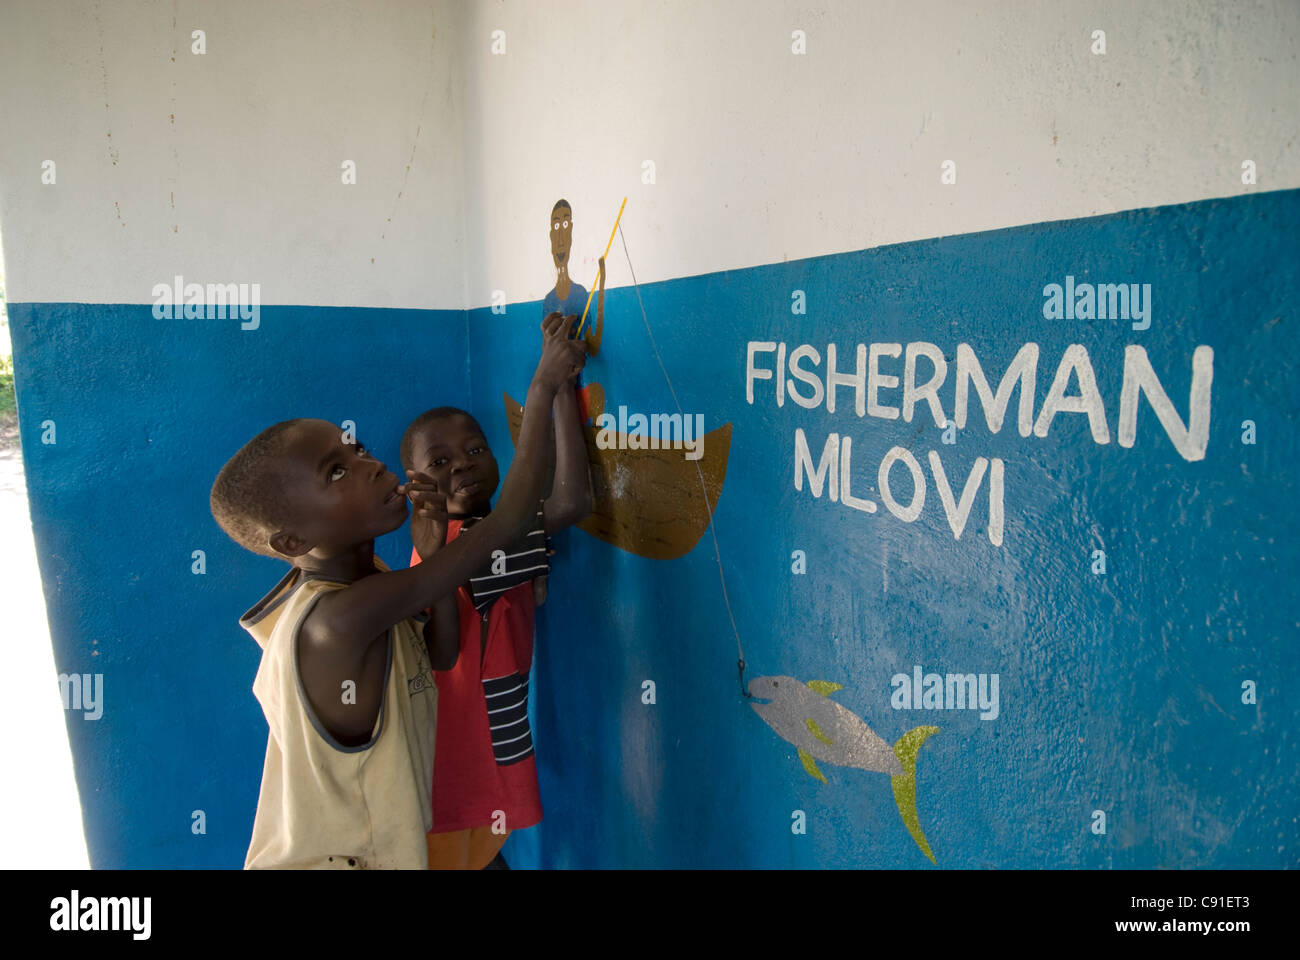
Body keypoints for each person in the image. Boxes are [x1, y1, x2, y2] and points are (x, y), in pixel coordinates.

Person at [209, 321, 585, 869]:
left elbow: (440, 653)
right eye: (336, 471)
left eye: (354, 448)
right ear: (293, 540)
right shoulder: (336, 617)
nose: (368, 464)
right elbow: (507, 522)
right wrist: (543, 385)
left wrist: (433, 562)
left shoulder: (373, 580)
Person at [400, 312, 592, 869]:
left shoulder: (471, 542)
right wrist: (545, 384)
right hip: (460, 779)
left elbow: (538, 507)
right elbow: (570, 502)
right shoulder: (468, 551)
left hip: (468, 774)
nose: (462, 464)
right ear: (415, 484)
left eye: (476, 450)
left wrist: (558, 388)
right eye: (439, 462)